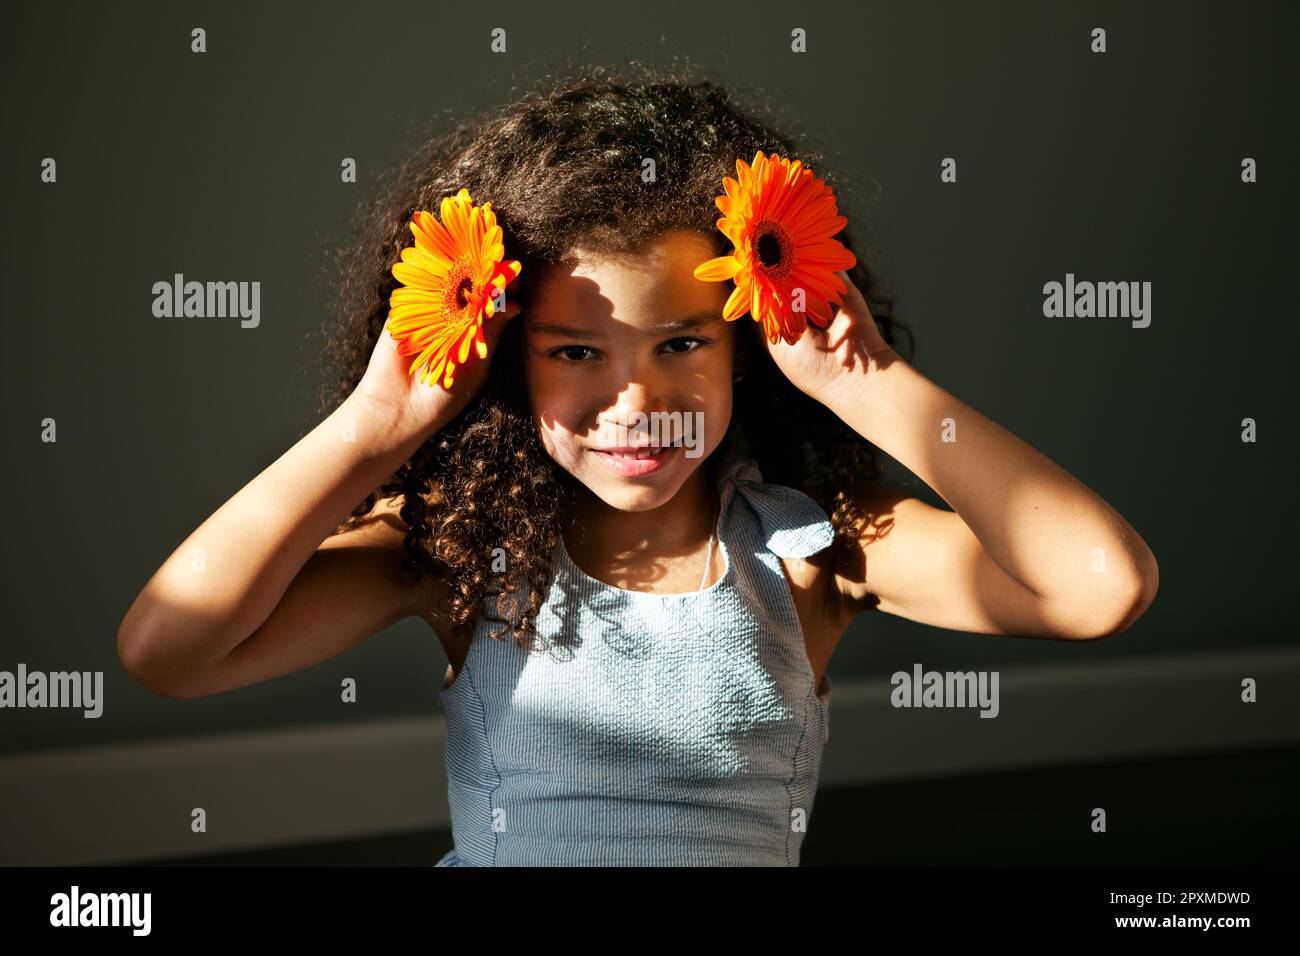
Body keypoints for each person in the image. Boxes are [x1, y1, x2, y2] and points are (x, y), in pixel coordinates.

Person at [117, 64, 1159, 867]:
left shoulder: (812, 549)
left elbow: (1101, 585)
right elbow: (172, 648)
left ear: (743, 341)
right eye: (575, 352)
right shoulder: (460, 554)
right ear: (500, 358)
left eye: (681, 344)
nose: (636, 403)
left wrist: (864, 382)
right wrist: (375, 428)